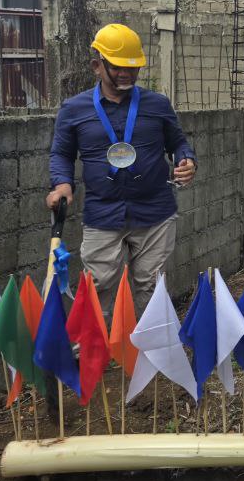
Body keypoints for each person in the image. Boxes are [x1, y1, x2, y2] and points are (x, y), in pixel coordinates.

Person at [47, 23, 196, 308]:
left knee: (151, 289)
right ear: (96, 65)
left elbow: (178, 143)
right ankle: (93, 352)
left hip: (155, 213)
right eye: (117, 67)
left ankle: (149, 353)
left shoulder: (158, 105)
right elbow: (61, 154)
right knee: (97, 288)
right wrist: (62, 184)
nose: (126, 74)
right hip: (103, 213)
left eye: (133, 67)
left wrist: (186, 160)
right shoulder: (74, 109)